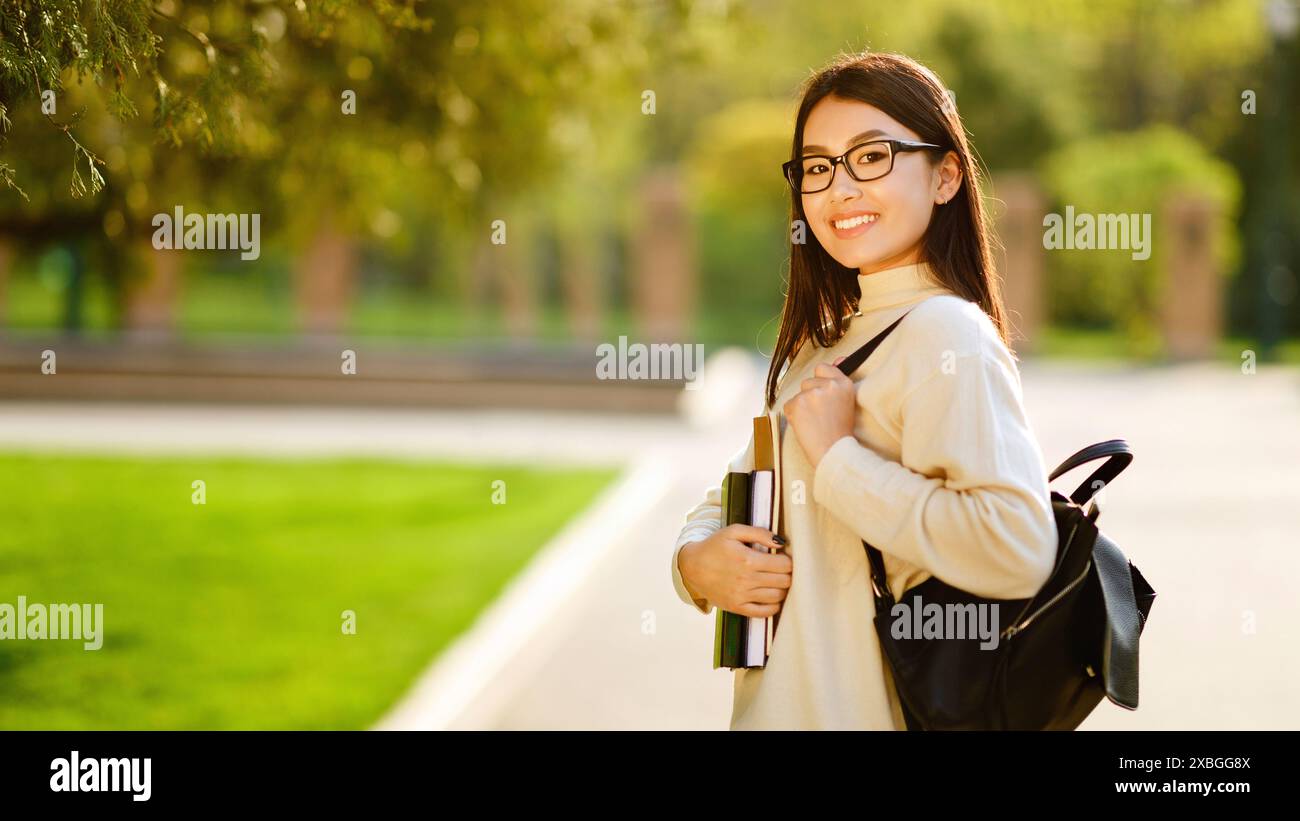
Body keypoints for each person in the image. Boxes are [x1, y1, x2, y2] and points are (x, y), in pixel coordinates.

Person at [670, 50, 1059, 730]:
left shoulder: (946, 335)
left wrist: (843, 461)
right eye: (817, 166)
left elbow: (1017, 547)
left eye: (871, 156)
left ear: (944, 176)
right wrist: (698, 563)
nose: (839, 188)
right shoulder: (823, 342)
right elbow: (731, 495)